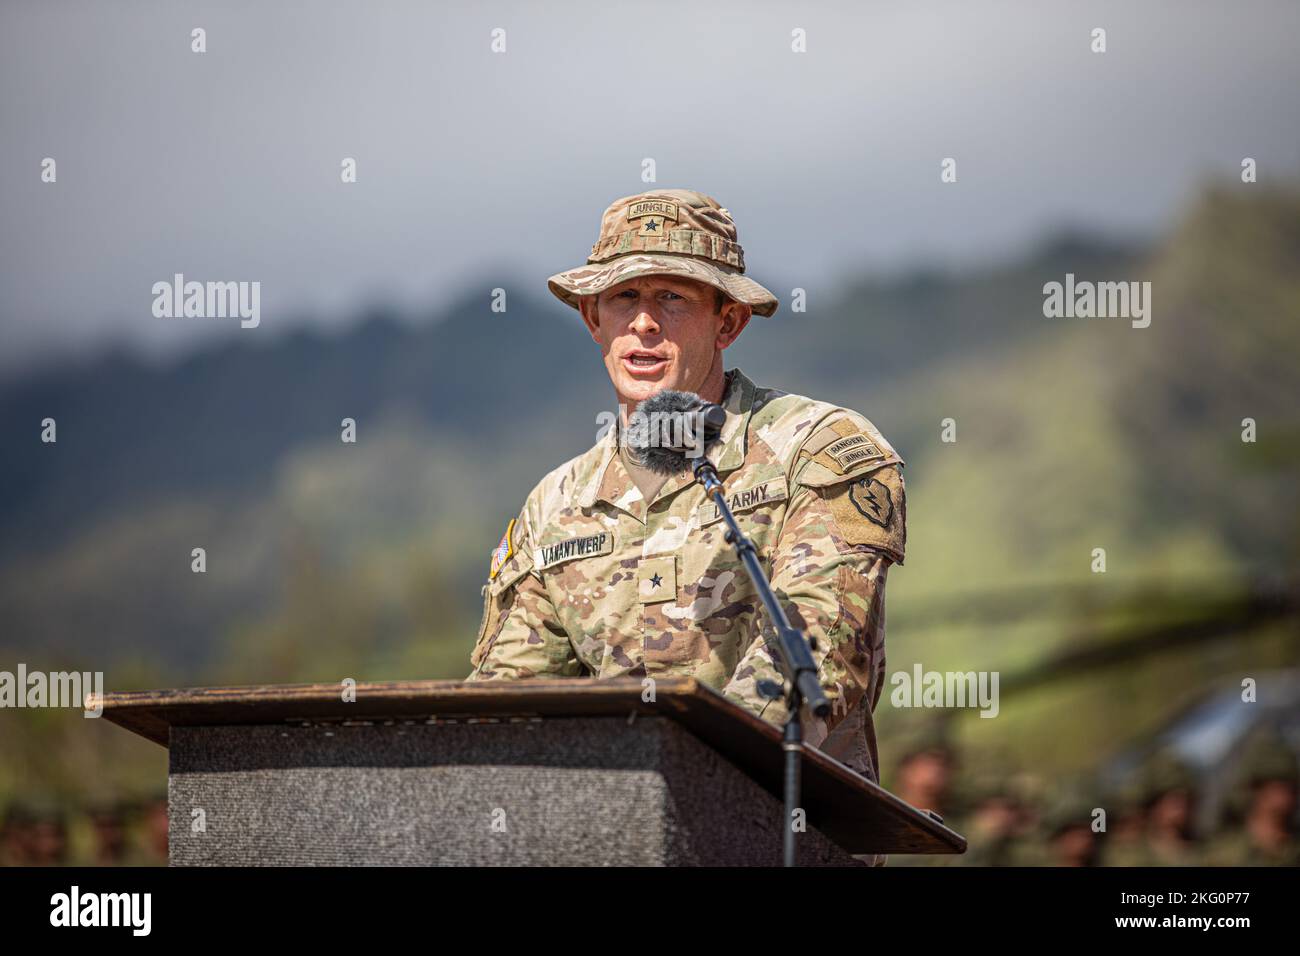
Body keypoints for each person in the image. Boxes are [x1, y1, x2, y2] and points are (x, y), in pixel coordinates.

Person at [466, 188, 907, 787]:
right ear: (593, 319)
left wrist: (690, 779)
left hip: (782, 832)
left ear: (728, 321)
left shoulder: (815, 449)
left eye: (672, 297)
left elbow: (819, 649)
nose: (643, 322)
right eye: (623, 297)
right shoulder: (557, 504)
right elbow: (507, 702)